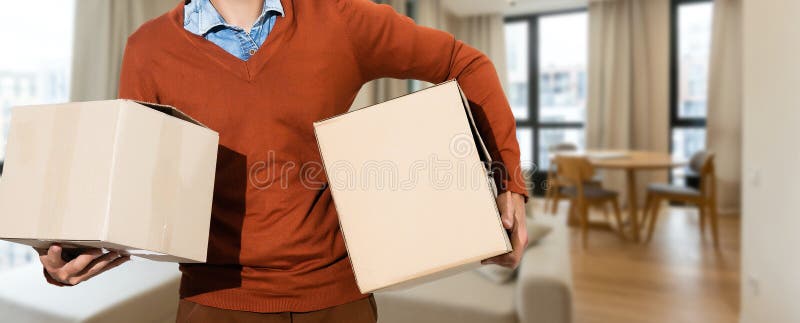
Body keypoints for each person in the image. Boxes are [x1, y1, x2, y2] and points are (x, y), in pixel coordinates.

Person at [36, 0, 529, 321]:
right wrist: (69, 251)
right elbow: (138, 194)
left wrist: (509, 182)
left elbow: (465, 64)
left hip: (338, 301)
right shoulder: (148, 50)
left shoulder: (338, 19)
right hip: (215, 304)